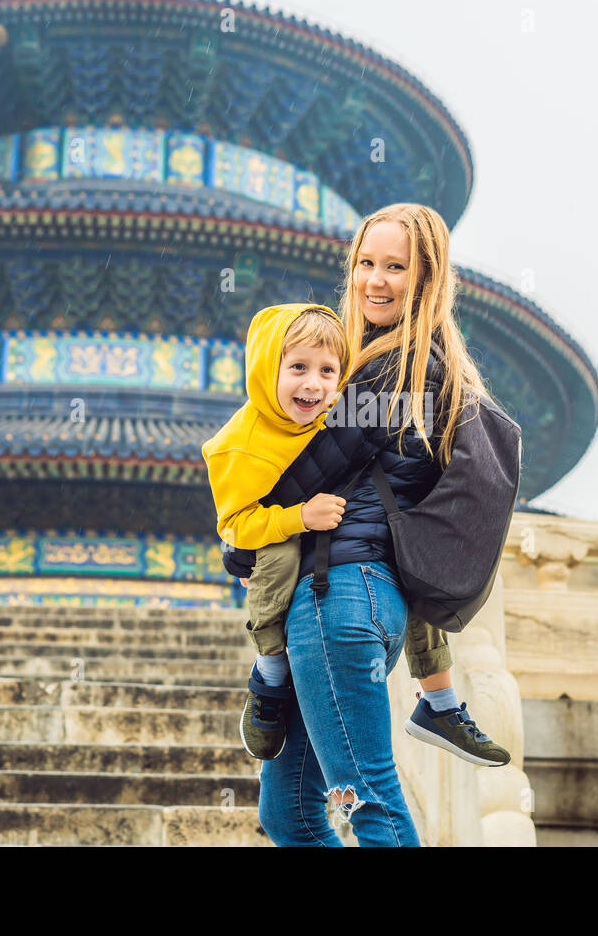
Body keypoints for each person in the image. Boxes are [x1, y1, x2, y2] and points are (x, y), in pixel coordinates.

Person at [224, 203, 510, 846]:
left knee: (369, 801)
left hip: (340, 598)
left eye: (395, 267)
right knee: (291, 814)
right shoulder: (415, 367)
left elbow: (313, 471)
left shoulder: (393, 370)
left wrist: (243, 537)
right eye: (365, 263)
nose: (374, 280)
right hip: (363, 609)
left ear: (428, 279)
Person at [200, 302, 353, 759]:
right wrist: (299, 518)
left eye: (328, 370)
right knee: (279, 555)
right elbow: (235, 525)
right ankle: (269, 671)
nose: (313, 384)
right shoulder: (237, 447)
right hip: (280, 537)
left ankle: (437, 695)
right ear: (268, 367)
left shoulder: (337, 418)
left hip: (337, 541)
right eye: (298, 367)